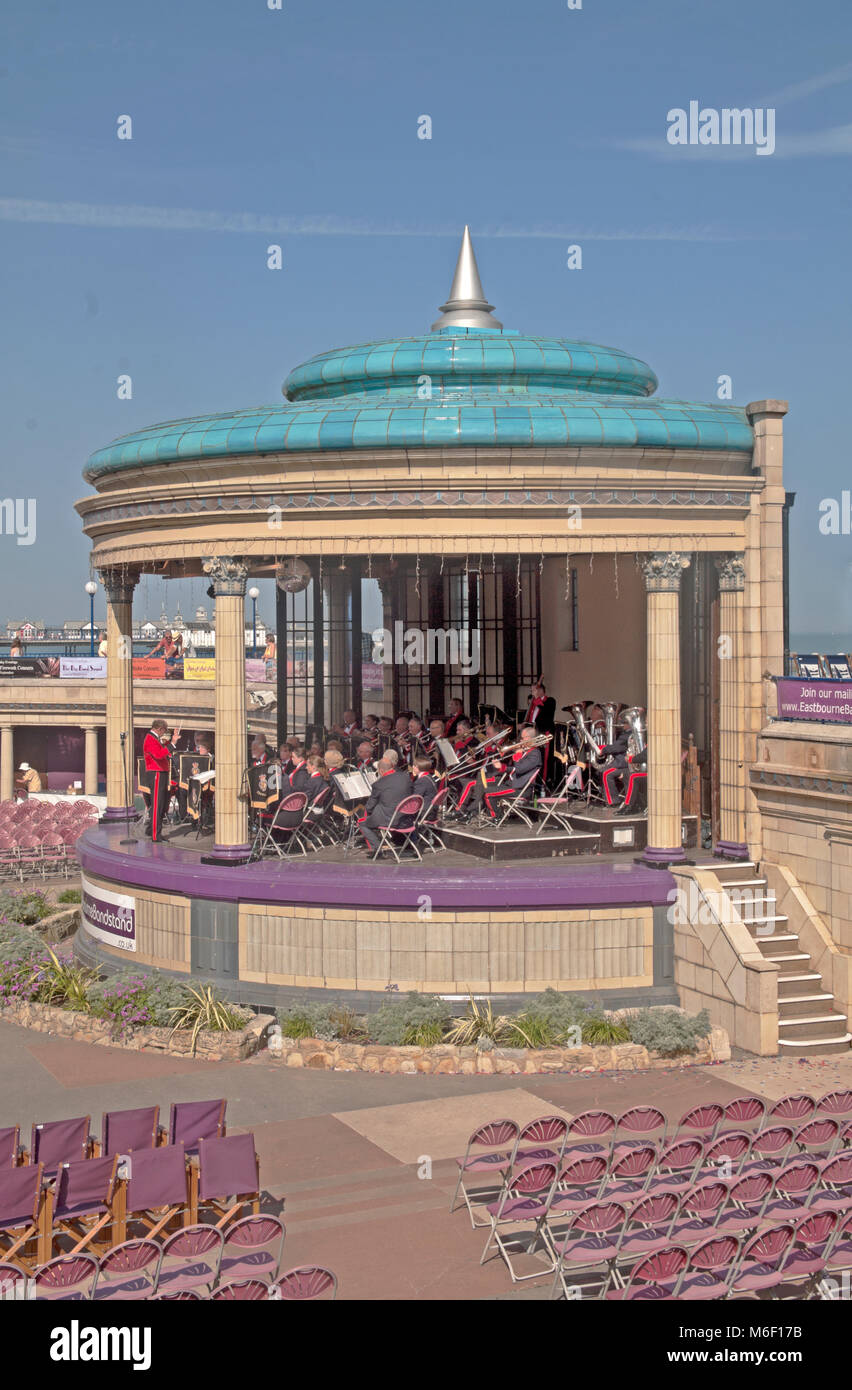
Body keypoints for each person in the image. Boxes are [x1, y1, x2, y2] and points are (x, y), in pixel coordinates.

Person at [356, 753, 414, 854]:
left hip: (391, 820)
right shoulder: (405, 776)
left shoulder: (379, 784)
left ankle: (377, 849)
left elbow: (369, 807)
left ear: (381, 770)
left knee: (362, 823)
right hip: (408, 818)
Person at [143, 718, 181, 841]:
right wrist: (172, 744)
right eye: (164, 731)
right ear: (160, 729)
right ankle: (155, 834)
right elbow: (158, 755)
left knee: (162, 803)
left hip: (160, 772)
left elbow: (161, 749)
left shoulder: (154, 738)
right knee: (157, 804)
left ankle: (152, 830)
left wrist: (171, 741)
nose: (164, 733)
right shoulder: (150, 739)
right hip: (156, 773)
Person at [598, 718, 632, 808]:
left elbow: (618, 747)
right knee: (601, 771)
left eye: (624, 723)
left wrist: (604, 749)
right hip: (622, 762)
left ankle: (612, 801)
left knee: (605, 773)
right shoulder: (626, 734)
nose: (622, 725)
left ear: (629, 724)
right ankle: (607, 797)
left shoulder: (628, 734)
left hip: (624, 764)